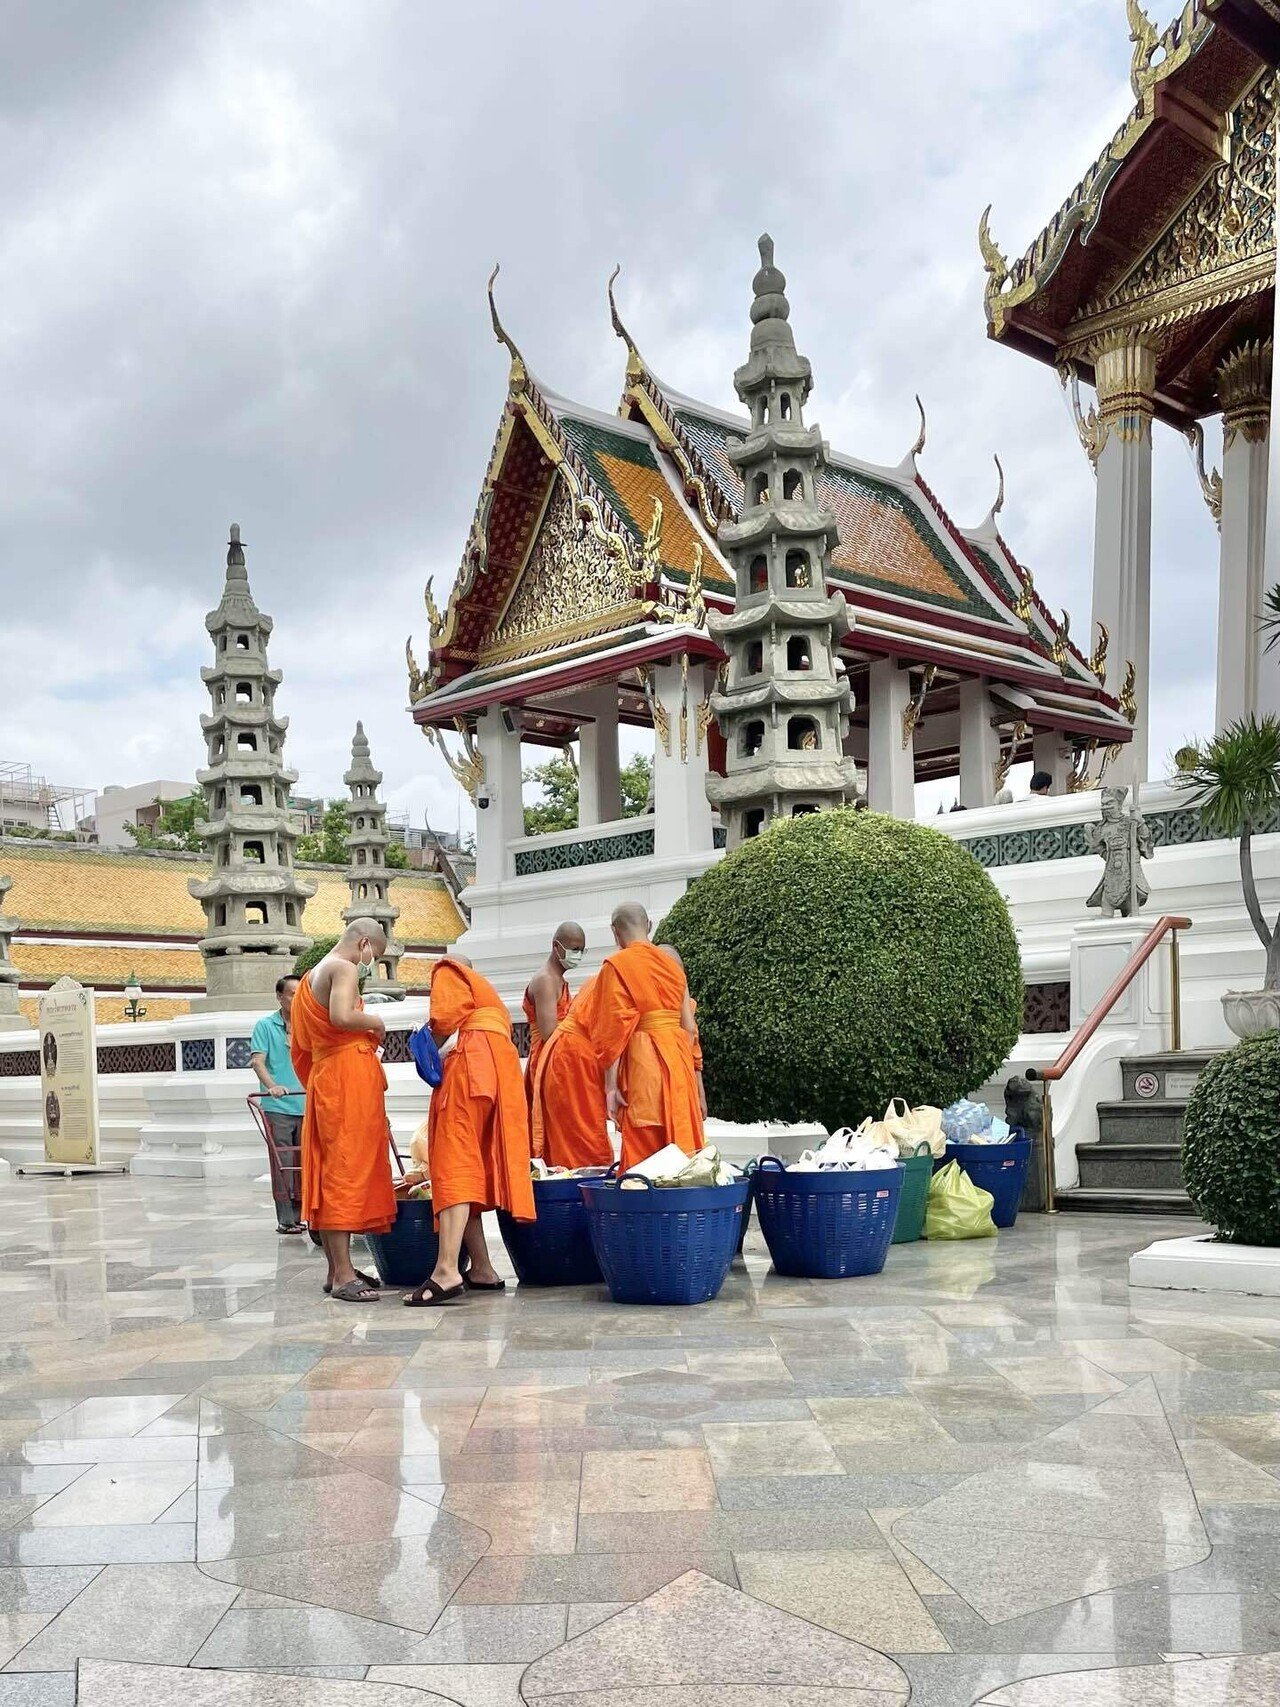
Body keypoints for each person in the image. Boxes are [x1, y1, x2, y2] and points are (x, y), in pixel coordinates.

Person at [407, 952, 534, 1307]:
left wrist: (426, 1040)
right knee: (472, 1167)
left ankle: (446, 1270)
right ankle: (482, 1267)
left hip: (469, 1070)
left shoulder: (448, 969)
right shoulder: (488, 998)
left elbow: (444, 1018)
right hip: (499, 1074)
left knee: (455, 1164)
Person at [290, 920, 397, 1303]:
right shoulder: (344, 967)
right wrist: (376, 1022)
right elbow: (341, 1017)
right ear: (364, 942)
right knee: (345, 1171)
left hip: (329, 1077)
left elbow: (306, 1040)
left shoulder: (310, 976)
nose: (371, 964)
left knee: (335, 1168)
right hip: (344, 1080)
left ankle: (336, 1269)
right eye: (374, 956)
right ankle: (344, 1276)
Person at [589, 902, 705, 1174]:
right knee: (681, 1154)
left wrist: (611, 1088)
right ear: (649, 926)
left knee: (646, 1154)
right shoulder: (672, 965)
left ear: (615, 932)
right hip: (678, 1065)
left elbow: (614, 1031)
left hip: (645, 1065)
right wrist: (692, 1081)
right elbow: (689, 1027)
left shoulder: (617, 966)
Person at [530, 974, 613, 1170]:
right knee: (582, 1134)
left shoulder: (609, 974)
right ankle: (581, 1182)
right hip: (572, 1060)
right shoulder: (545, 980)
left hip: (571, 1054)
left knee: (575, 1131)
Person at [250, 975, 307, 1234]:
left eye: (301, 993)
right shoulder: (265, 1025)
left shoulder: (308, 1024)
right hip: (279, 1107)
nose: (297, 999)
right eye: (292, 994)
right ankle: (286, 1219)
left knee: (306, 1162)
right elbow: (257, 1062)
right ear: (280, 997)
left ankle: (304, 1214)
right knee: (283, 1161)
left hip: (307, 1103)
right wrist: (272, 1086)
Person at [522, 923, 584, 1111]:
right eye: (574, 949)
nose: (578, 955)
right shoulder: (546, 980)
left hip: (561, 1059)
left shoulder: (557, 979)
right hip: (549, 1062)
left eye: (582, 950)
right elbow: (549, 1034)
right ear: (556, 946)